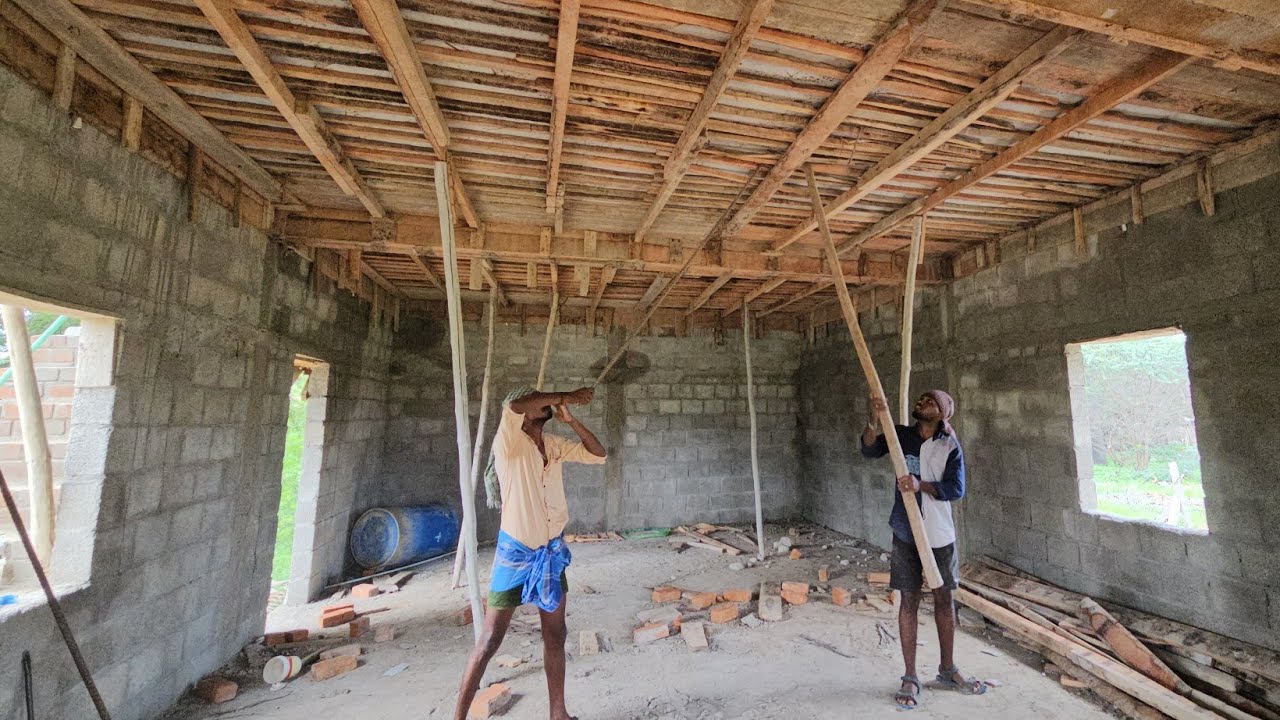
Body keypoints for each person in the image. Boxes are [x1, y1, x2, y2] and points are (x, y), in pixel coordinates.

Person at [453, 386, 606, 720]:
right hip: (516, 554)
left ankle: (558, 713)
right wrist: (566, 395)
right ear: (524, 414)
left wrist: (571, 419)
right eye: (540, 401)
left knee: (556, 634)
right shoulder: (509, 441)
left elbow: (598, 453)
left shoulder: (551, 445)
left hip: (550, 553)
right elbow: (516, 403)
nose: (546, 404)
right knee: (490, 640)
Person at [860, 390, 987, 710]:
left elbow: (956, 489)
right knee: (909, 599)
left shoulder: (949, 445)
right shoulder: (901, 435)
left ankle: (948, 669)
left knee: (944, 598)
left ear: (942, 413)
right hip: (906, 529)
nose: (921, 403)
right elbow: (870, 450)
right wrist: (874, 419)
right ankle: (910, 676)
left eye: (929, 402)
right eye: (920, 399)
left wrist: (921, 486)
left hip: (939, 532)